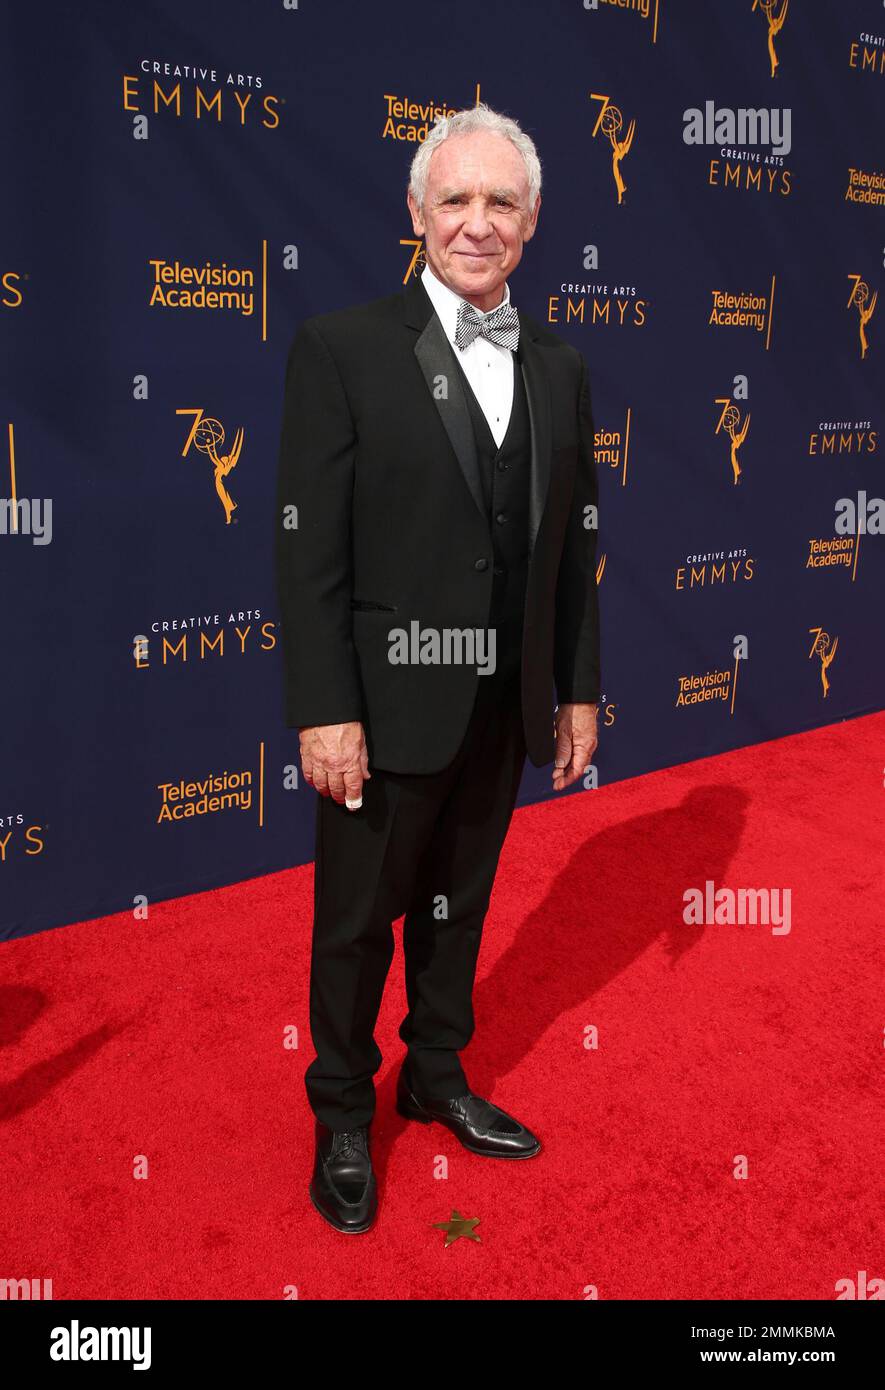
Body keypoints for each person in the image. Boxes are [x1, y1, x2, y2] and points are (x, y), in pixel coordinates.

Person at [275, 103, 601, 1234]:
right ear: (414, 215)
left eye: (499, 202)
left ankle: (437, 1074)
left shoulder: (560, 367)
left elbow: (573, 548)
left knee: (457, 910)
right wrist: (326, 709)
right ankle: (342, 1111)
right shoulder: (341, 349)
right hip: (386, 699)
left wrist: (574, 685)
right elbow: (307, 548)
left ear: (533, 221)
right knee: (357, 922)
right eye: (454, 200)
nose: (477, 223)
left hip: (503, 704)